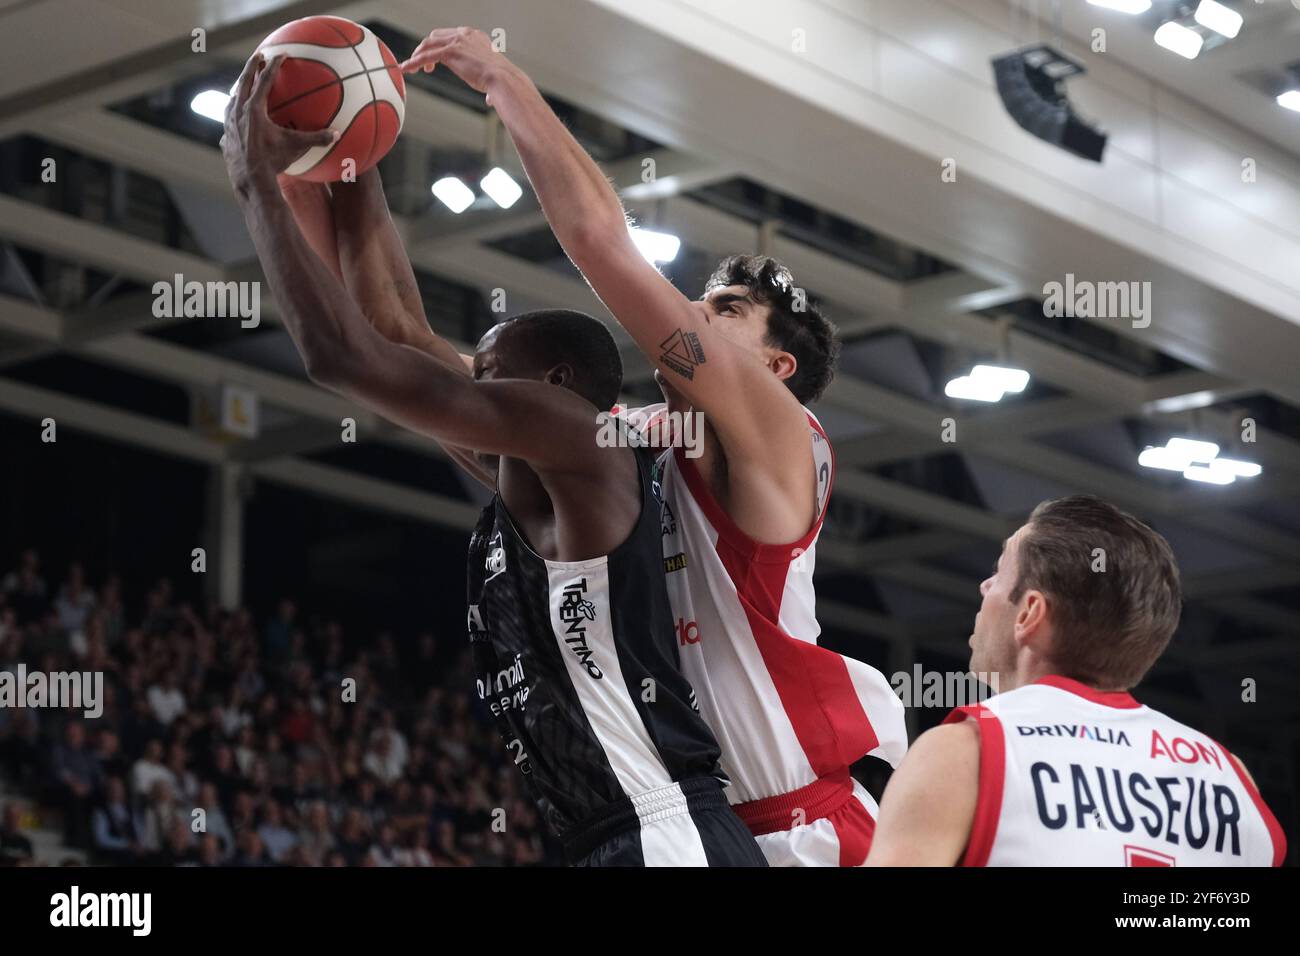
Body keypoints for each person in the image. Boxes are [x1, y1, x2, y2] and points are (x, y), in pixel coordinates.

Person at [220, 52, 765, 867]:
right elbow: (395, 333)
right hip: (614, 836)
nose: (466, 380)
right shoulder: (542, 486)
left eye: (485, 371)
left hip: (663, 832)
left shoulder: (580, 441)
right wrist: (354, 158)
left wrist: (256, 185)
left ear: (554, 385)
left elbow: (343, 358)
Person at [399, 27, 907, 866]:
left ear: (777, 367)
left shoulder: (784, 435)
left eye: (727, 309)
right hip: (687, 823)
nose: (697, 314)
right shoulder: (634, 441)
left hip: (808, 831)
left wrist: (504, 80)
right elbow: (445, 394)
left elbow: (602, 244)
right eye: (704, 301)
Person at [866, 495, 1286, 866]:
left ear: (1030, 613)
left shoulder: (966, 751)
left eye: (999, 571)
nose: (985, 585)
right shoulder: (1232, 779)